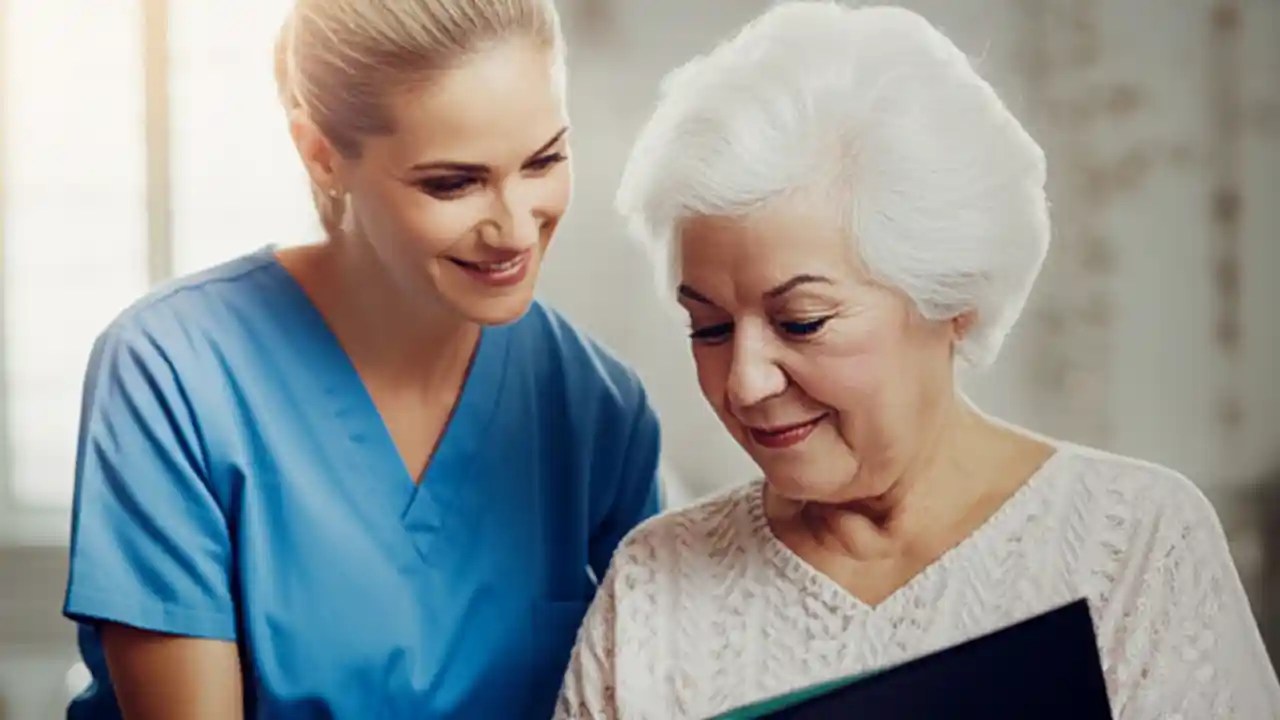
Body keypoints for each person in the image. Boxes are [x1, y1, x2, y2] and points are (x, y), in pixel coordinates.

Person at [555, 3, 1280, 718]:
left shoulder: (1134, 542)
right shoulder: (655, 582)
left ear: (950, 298)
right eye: (709, 328)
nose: (744, 382)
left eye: (801, 322)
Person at [62, 1, 661, 717]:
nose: (514, 226)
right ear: (321, 155)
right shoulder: (172, 372)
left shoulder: (598, 409)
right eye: (452, 183)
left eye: (544, 161)